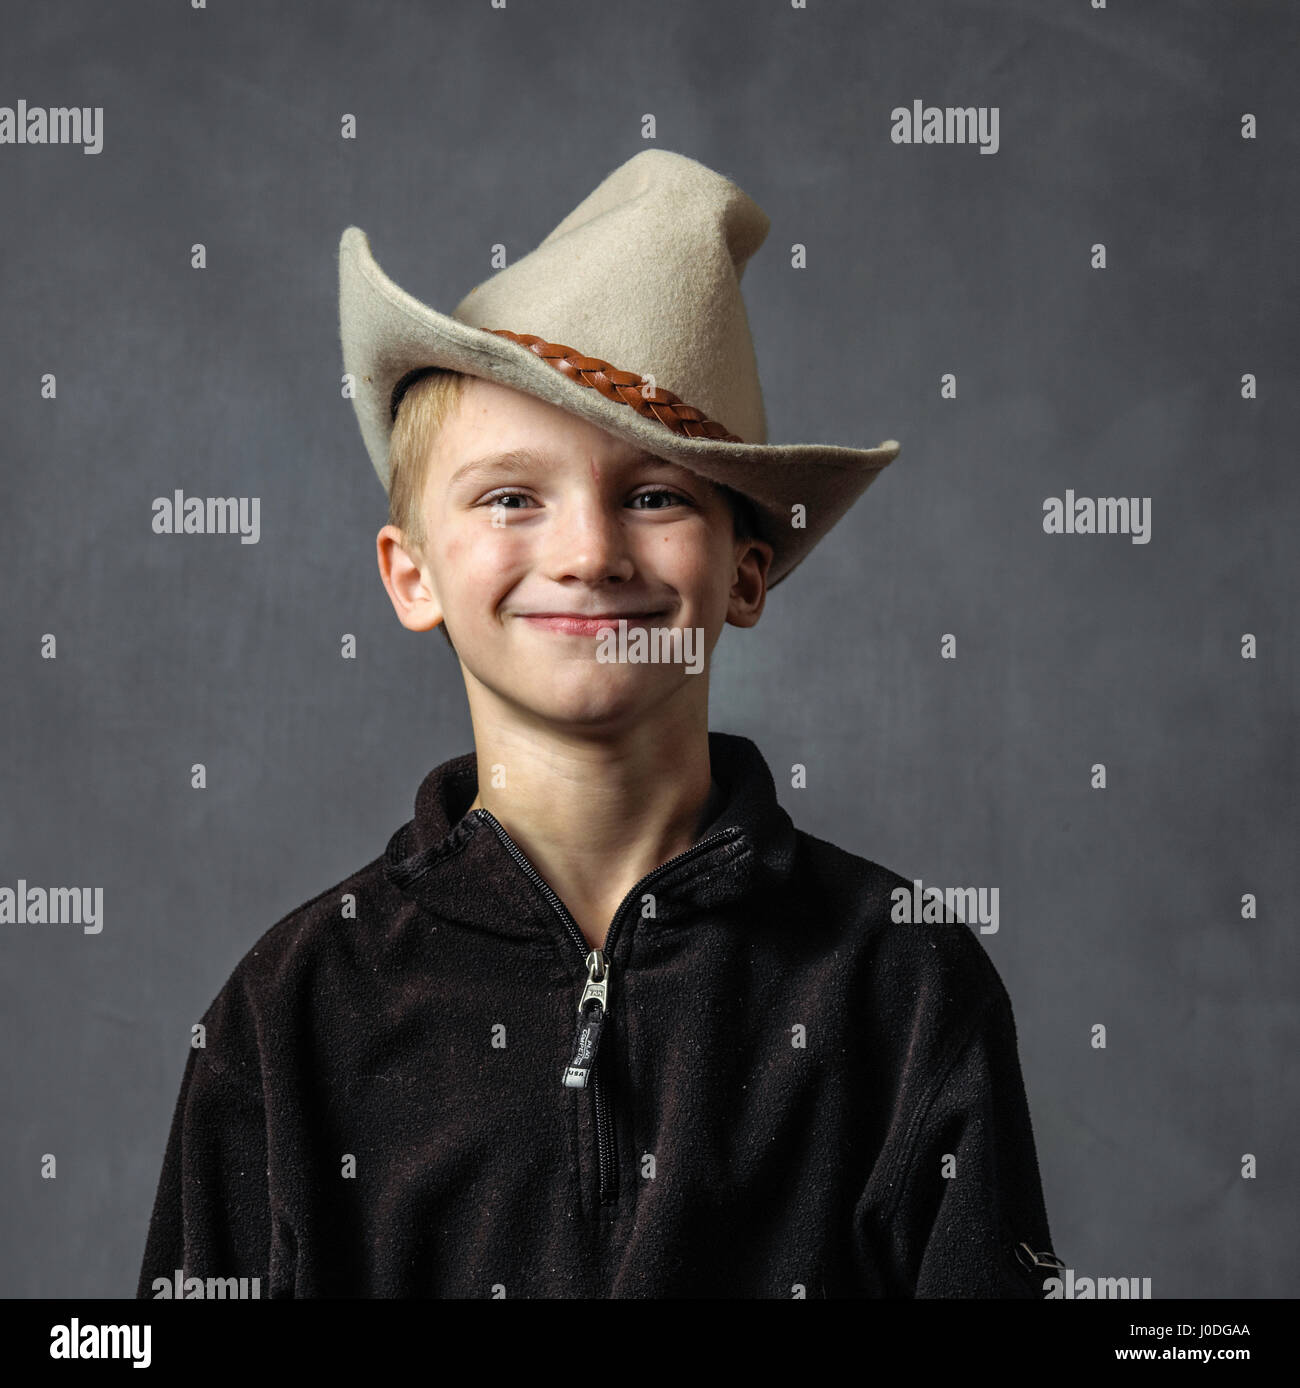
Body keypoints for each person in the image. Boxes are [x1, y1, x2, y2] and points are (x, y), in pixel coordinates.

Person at [136, 148, 1060, 1298]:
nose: (587, 553)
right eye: (511, 496)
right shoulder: (290, 1009)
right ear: (411, 573)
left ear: (746, 573)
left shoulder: (902, 982)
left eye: (656, 492)